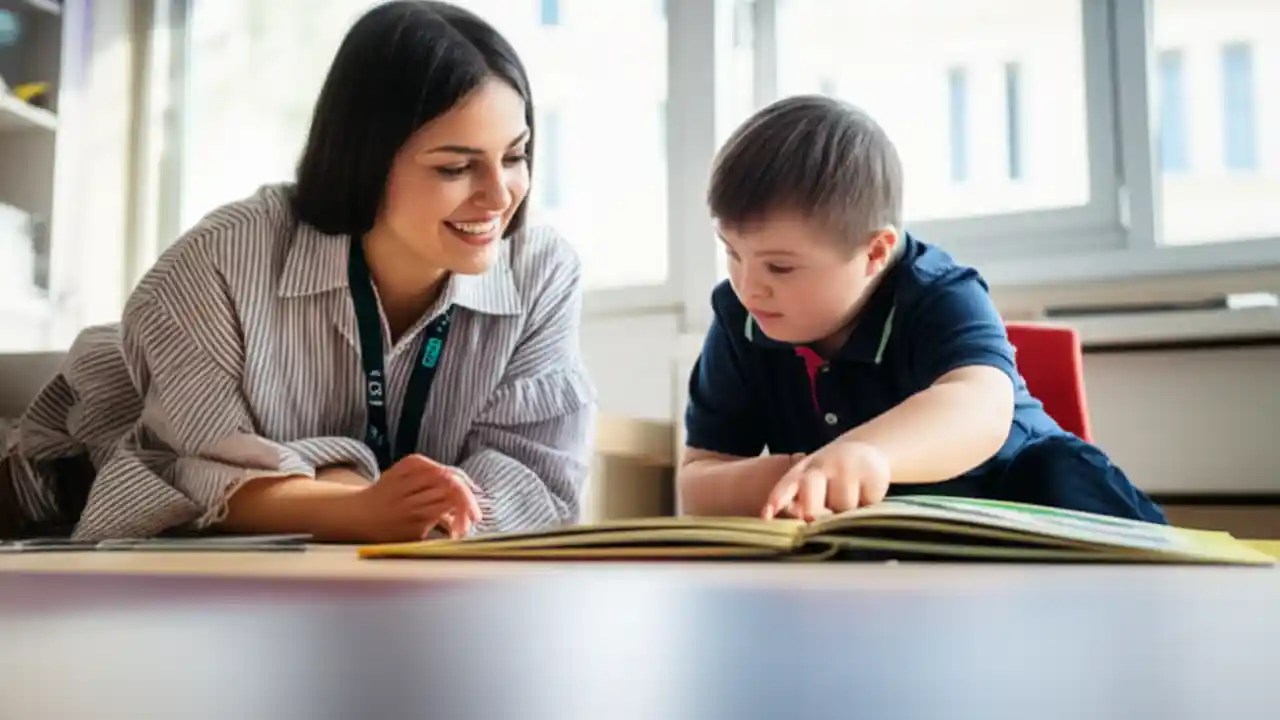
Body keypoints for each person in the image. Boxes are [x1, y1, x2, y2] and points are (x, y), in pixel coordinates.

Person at [0, 1, 596, 542]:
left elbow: (535, 484)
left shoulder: (541, 276)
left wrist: (371, 500)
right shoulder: (221, 260)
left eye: (514, 156)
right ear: (364, 159)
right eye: (455, 167)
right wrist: (352, 500)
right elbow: (187, 479)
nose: (499, 195)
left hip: (313, 554)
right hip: (46, 505)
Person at [677, 95, 1166, 525]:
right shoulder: (740, 316)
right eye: (732, 252)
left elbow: (981, 405)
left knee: (1066, 480)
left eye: (780, 268)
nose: (748, 287)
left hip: (1027, 495)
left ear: (874, 253)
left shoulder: (940, 291)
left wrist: (862, 453)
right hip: (901, 549)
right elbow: (697, 479)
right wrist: (798, 472)